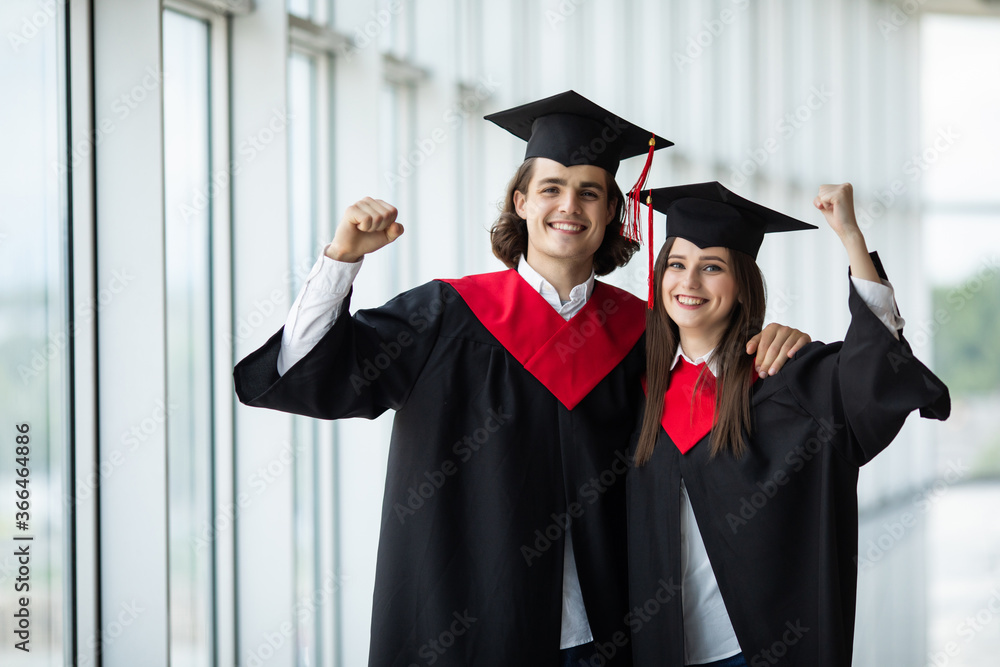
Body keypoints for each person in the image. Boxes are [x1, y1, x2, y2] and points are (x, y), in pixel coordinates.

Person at [234, 92, 810, 666]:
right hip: (469, 630)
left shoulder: (643, 333)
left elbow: (719, 404)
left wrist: (778, 343)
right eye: (551, 188)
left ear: (612, 211)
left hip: (603, 633)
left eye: (590, 192)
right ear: (521, 202)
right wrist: (341, 259)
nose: (570, 206)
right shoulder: (447, 315)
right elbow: (309, 372)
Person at [625, 181, 950, 666]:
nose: (688, 282)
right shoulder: (639, 393)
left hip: (753, 648)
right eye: (677, 264)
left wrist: (851, 238)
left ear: (741, 287)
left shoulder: (787, 380)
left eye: (712, 267)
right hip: (662, 645)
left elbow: (874, 372)